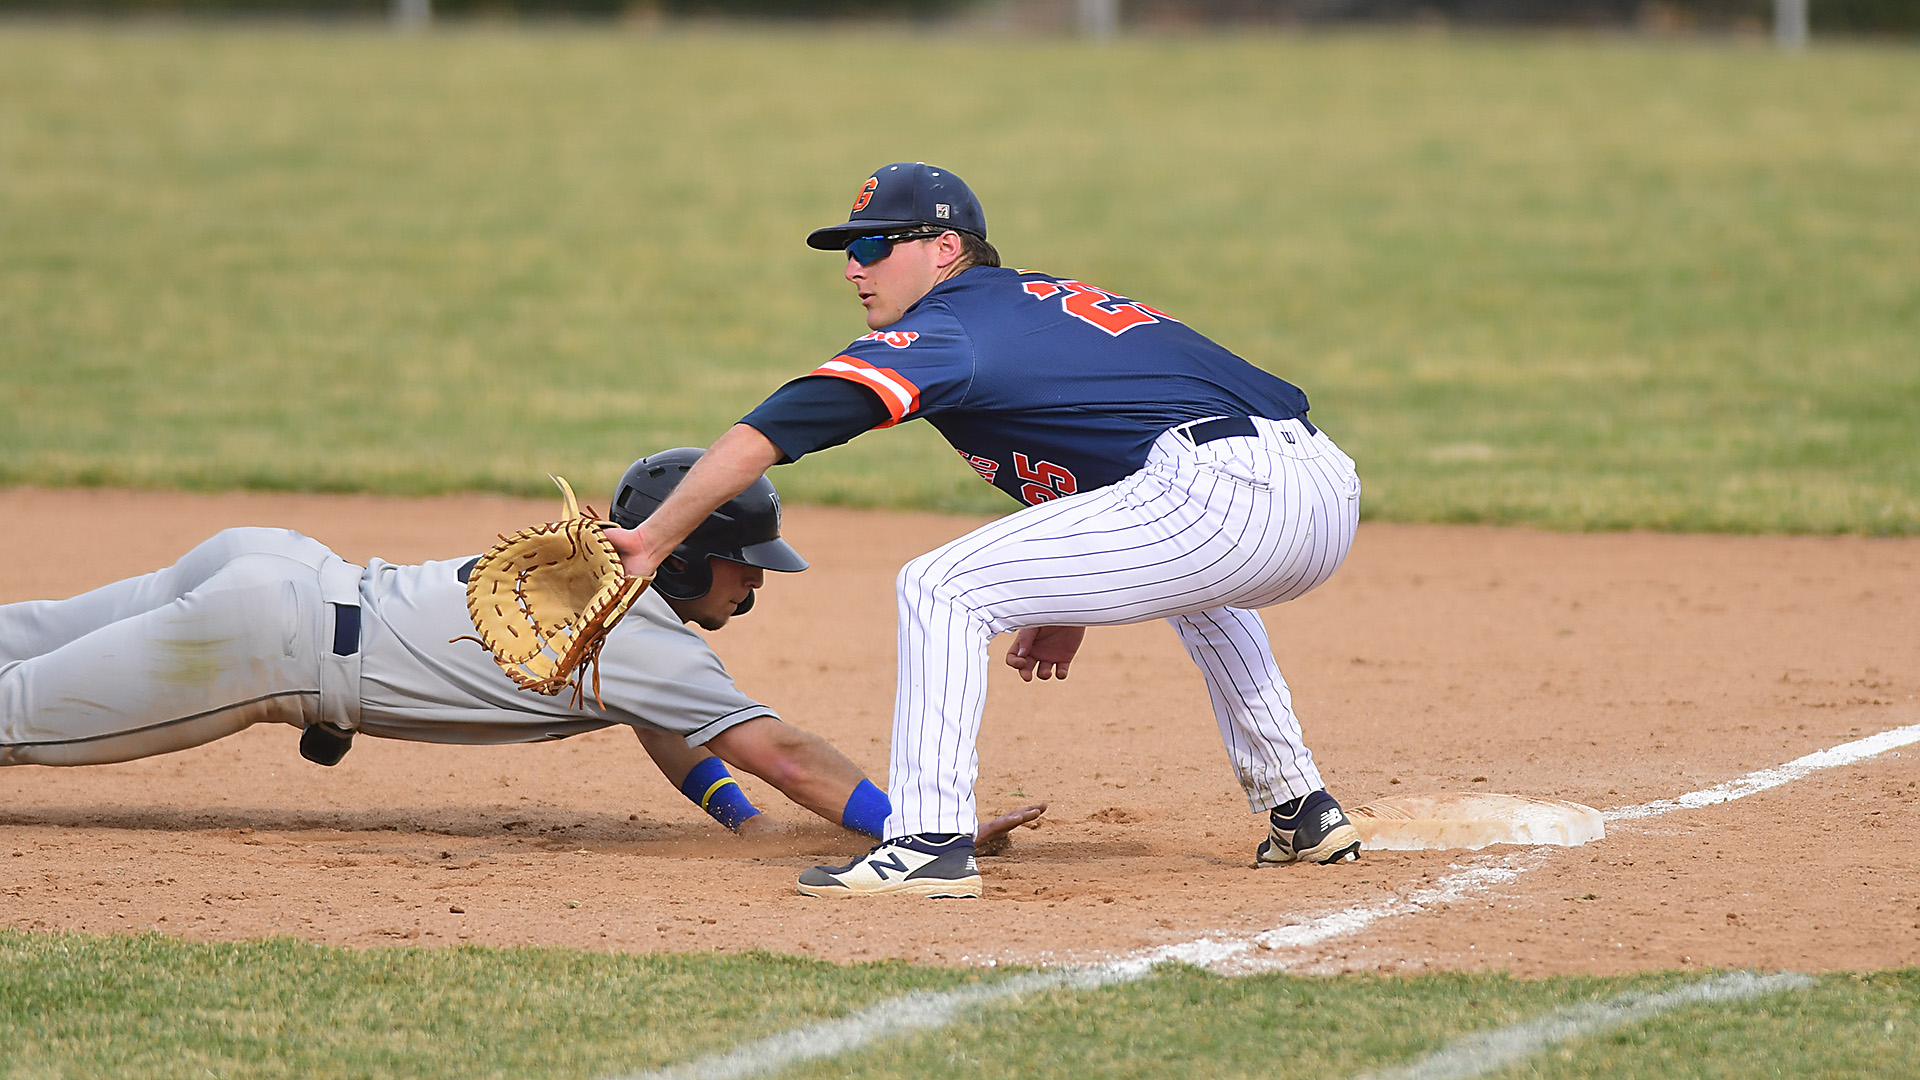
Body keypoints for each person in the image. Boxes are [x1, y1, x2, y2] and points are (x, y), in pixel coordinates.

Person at [606, 163, 1365, 899]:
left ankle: (927, 844)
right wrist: (1066, 603)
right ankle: (1301, 808)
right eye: (848, 250)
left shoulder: (951, 325)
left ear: (944, 249)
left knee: (938, 586)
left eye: (874, 246)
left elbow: (768, 431)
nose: (852, 268)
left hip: (1223, 491)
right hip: (1316, 485)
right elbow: (1120, 445)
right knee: (1207, 593)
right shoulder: (1033, 303)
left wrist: (652, 539)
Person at [0, 447, 1042, 853]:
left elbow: (665, 721)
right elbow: (786, 749)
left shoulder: (590, 577)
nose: (756, 578)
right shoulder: (644, 637)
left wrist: (733, 815)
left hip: (274, 570)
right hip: (260, 650)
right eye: (739, 562)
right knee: (15, 720)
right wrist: (920, 827)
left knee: (26, 633)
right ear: (681, 564)